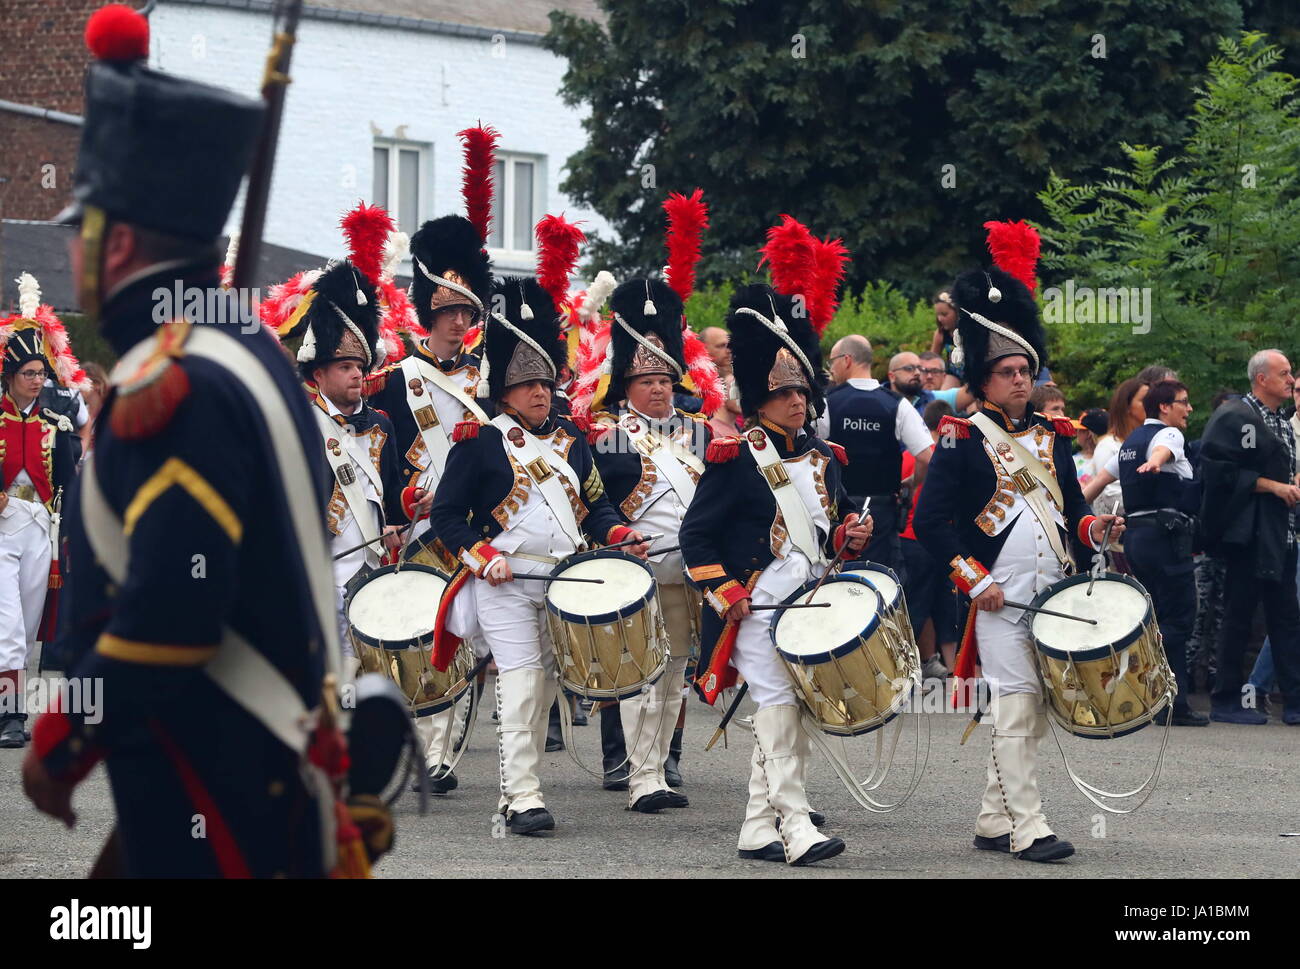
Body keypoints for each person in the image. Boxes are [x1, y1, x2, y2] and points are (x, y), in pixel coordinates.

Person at [22, 5, 380, 877]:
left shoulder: (173, 385)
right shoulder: (240, 346)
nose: (73, 252)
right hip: (241, 774)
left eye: (84, 228)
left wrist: (66, 734)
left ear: (122, 240)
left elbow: (178, 613)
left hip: (216, 790)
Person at [914, 220, 1122, 864]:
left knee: (1029, 709)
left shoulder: (1054, 435)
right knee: (1016, 704)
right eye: (1007, 372)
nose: (1019, 380)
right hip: (997, 594)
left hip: (1049, 589)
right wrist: (975, 580)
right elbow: (930, 522)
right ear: (984, 377)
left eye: (1025, 369)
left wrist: (1095, 530)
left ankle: (991, 817)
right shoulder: (960, 435)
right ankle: (1027, 827)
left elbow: (1068, 506)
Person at [428, 275, 649, 835]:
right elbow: (447, 517)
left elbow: (595, 509)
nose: (540, 393)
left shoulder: (574, 441)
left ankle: (519, 787)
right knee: (523, 683)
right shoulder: (477, 441)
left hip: (562, 582)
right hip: (501, 581)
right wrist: (480, 556)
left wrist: (618, 534)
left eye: (546, 383)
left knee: (547, 683)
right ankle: (520, 797)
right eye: (527, 385)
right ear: (503, 392)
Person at [681, 282, 872, 866]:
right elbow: (696, 538)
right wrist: (724, 588)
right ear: (759, 399)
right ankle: (796, 826)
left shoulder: (823, 456)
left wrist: (850, 536)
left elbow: (829, 531)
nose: (797, 400)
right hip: (758, 609)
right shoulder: (735, 457)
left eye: (802, 390)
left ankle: (756, 829)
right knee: (781, 710)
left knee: (792, 711)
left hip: (813, 606)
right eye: (784, 391)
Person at [364, 208, 495, 793]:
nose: (457, 322)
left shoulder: (487, 380)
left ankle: (441, 753)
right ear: (428, 313)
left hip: (470, 523)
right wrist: (397, 509)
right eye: (447, 312)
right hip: (418, 524)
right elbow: (384, 455)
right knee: (418, 632)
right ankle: (416, 745)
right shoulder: (395, 379)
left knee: (460, 636)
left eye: (465, 311)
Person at [581, 276, 716, 812]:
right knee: (639, 676)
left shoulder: (702, 433)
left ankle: (659, 767)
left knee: (675, 677)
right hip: (632, 573)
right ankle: (641, 777)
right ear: (625, 386)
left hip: (687, 574)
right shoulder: (606, 435)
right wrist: (617, 535)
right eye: (645, 380)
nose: (658, 389)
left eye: (664, 379)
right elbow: (594, 501)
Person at [273, 259, 407, 674]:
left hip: (369, 570)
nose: (356, 375)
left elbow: (392, 494)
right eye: (345, 367)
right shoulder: (300, 423)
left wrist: (405, 510)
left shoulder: (382, 425)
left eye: (359, 368)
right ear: (319, 372)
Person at [1086, 380, 1207, 725]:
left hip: (1137, 541)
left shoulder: (1127, 445)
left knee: (1153, 619)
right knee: (1179, 618)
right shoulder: (1168, 435)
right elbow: (1164, 448)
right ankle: (1174, 703)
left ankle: (1150, 696)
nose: (1189, 409)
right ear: (1165, 408)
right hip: (1166, 539)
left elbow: (1092, 488)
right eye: (1184, 402)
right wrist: (1156, 463)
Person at [0, 274, 82, 746]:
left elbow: (71, 486)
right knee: (9, 623)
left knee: (26, 628)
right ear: (10, 377)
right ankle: (14, 717)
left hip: (42, 533)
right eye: (29, 373)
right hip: (3, 528)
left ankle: (5, 705)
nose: (38, 380)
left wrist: (71, 536)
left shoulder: (58, 425)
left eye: (41, 373)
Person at [1197, 349, 1300, 725]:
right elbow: (1220, 471)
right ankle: (1226, 699)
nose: (1291, 380)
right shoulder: (1239, 418)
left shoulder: (1282, 422)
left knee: (1286, 619)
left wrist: (1290, 485)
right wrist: (1273, 486)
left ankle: (1294, 702)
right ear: (1262, 379)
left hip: (1283, 536)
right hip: (1251, 537)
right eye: (1285, 374)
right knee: (1238, 616)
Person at [825, 335, 933, 581]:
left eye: (832, 361)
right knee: (882, 585)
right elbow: (927, 456)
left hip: (838, 514)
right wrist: (912, 483)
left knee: (838, 586)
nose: (831, 369)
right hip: (882, 514)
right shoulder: (897, 404)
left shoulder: (828, 402)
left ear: (847, 360)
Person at [900, 399, 958, 679]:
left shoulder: (909, 456)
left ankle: (919, 665)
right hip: (939, 540)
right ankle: (950, 667)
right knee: (937, 603)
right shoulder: (947, 457)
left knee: (919, 603)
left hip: (909, 538)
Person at [701, 325, 742, 438]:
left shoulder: (735, 375)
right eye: (721, 346)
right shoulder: (691, 387)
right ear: (704, 350)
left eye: (730, 345)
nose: (729, 350)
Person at [1071, 408, 1108, 483]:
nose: (1076, 433)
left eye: (1079, 430)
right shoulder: (1073, 459)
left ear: (1089, 434)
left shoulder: (1104, 457)